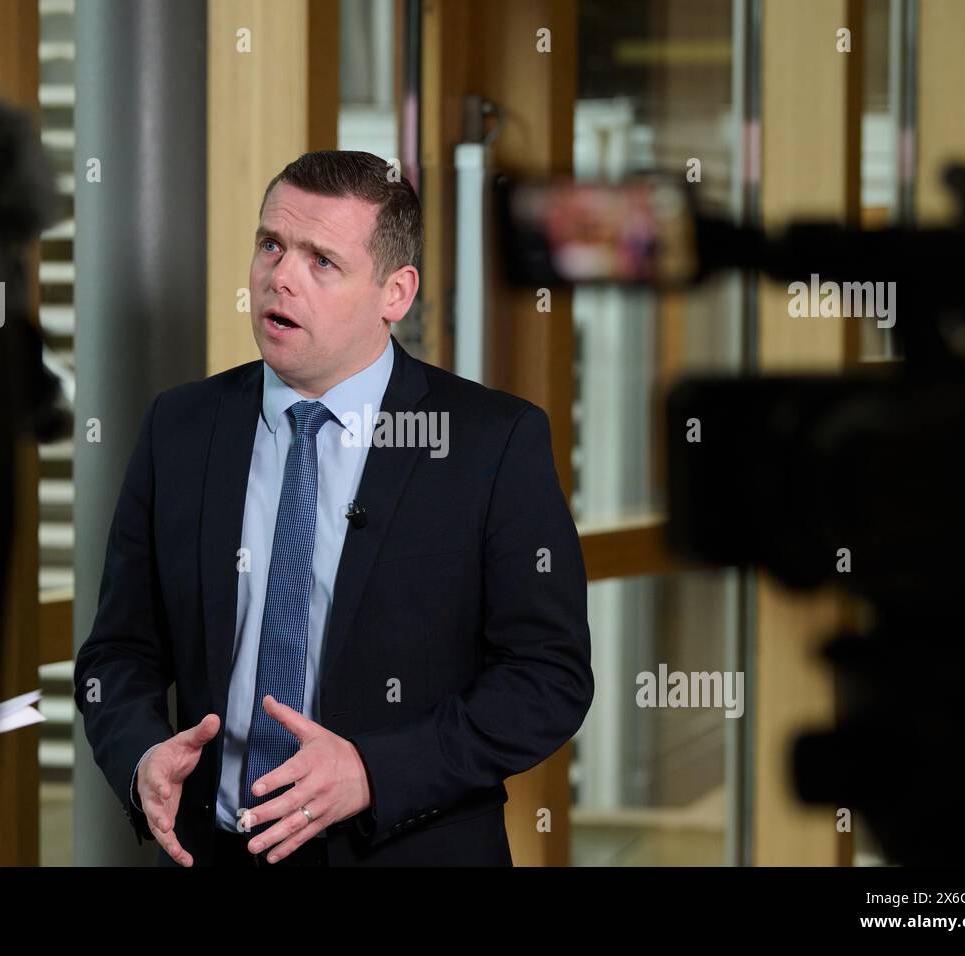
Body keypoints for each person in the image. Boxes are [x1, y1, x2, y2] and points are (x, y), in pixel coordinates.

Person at [74, 150, 594, 867]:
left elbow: (548, 678)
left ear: (395, 293)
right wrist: (138, 757)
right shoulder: (182, 428)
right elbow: (118, 651)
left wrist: (374, 772)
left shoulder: (491, 441)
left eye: (322, 261)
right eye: (271, 245)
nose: (280, 276)